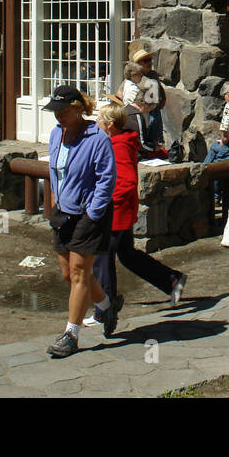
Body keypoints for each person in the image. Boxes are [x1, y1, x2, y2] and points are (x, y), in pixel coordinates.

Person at [91, 103, 188, 317]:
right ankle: (170, 279)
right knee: (126, 254)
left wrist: (104, 203)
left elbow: (126, 181)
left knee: (103, 255)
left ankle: (104, 309)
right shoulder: (119, 142)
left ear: (109, 125)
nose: (96, 123)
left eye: (99, 120)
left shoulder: (117, 146)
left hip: (116, 210)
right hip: (121, 208)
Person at [43, 85, 118, 359]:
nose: (58, 116)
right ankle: (108, 306)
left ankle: (71, 335)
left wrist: (94, 212)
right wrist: (52, 203)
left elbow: (106, 179)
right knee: (69, 274)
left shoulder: (97, 138)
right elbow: (54, 172)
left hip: (88, 214)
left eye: (63, 111)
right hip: (63, 213)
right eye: (55, 112)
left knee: (78, 272)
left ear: (77, 109)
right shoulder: (55, 135)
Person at [131, 47, 166, 155]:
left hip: (154, 109)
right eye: (146, 61)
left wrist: (163, 100)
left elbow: (160, 88)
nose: (149, 63)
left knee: (156, 133)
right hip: (143, 110)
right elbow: (121, 93)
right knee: (146, 133)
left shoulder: (153, 74)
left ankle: (155, 152)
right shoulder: (136, 77)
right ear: (138, 64)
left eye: (150, 60)